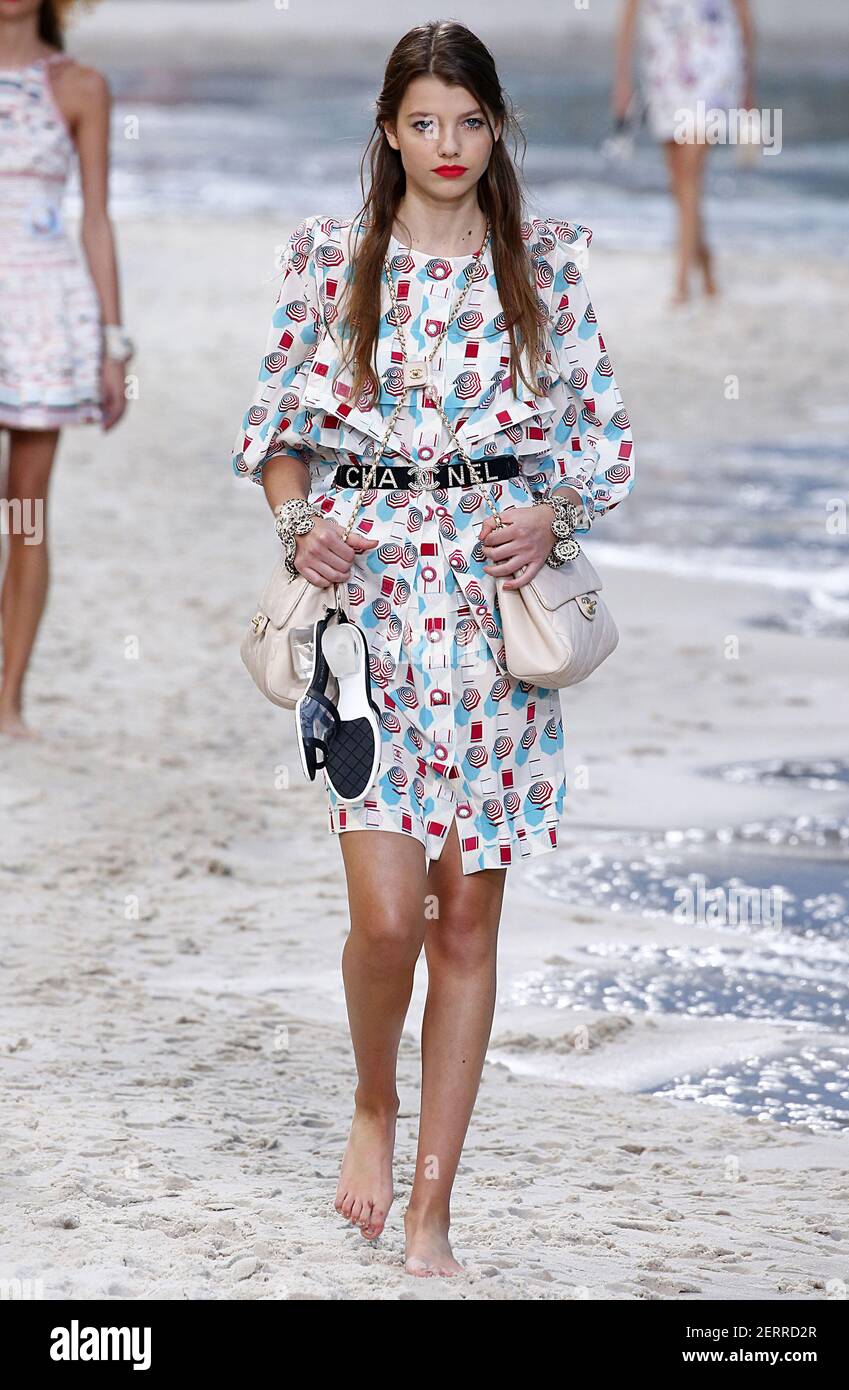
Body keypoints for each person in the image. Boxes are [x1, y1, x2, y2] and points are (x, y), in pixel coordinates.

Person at [231, 20, 636, 1277]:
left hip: (496, 623)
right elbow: (271, 431)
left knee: (467, 920)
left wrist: (546, 509)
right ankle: (373, 1102)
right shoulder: (330, 258)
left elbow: (604, 444)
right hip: (369, 626)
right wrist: (302, 526)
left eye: (468, 122)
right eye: (423, 122)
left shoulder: (546, 264)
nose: (447, 146)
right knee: (389, 917)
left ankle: (431, 1211)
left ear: (495, 128)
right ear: (389, 131)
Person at [0, 0, 132, 738]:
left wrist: (114, 343)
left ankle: (8, 698)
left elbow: (96, 216)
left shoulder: (80, 86)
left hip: (45, 309)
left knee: (23, 512)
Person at [614, 0, 754, 303]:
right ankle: (707, 268)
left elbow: (743, 9)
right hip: (663, 65)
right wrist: (623, 80)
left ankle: (681, 284)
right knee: (678, 179)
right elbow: (628, 13)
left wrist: (747, 83)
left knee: (689, 173)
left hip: (714, 63)